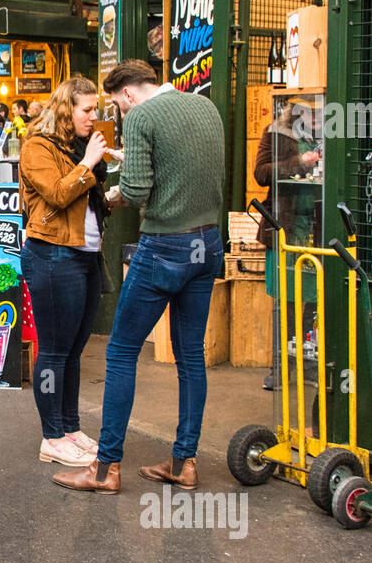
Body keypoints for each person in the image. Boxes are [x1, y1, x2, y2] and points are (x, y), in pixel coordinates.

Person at [53, 60, 224, 494]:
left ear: (128, 94)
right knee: (191, 358)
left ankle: (105, 468)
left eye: (116, 106)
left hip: (164, 246)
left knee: (122, 351)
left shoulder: (143, 115)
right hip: (208, 245)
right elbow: (185, 169)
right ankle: (184, 464)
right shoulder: (206, 107)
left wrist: (109, 196)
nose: (119, 114)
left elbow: (136, 191)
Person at [18, 77, 110, 470]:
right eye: (86, 109)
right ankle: (52, 436)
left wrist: (110, 195)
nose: (94, 116)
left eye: (96, 109)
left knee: (73, 352)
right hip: (53, 255)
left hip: (85, 256)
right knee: (54, 351)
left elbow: (84, 202)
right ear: (64, 110)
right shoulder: (37, 146)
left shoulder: (76, 148)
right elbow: (57, 194)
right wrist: (89, 162)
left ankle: (70, 429)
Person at [254, 98, 320, 391]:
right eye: (310, 111)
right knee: (285, 298)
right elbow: (261, 173)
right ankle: (280, 365)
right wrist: (299, 163)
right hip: (285, 225)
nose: (316, 116)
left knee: (314, 300)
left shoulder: (328, 134)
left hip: (317, 225)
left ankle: (306, 362)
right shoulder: (276, 133)